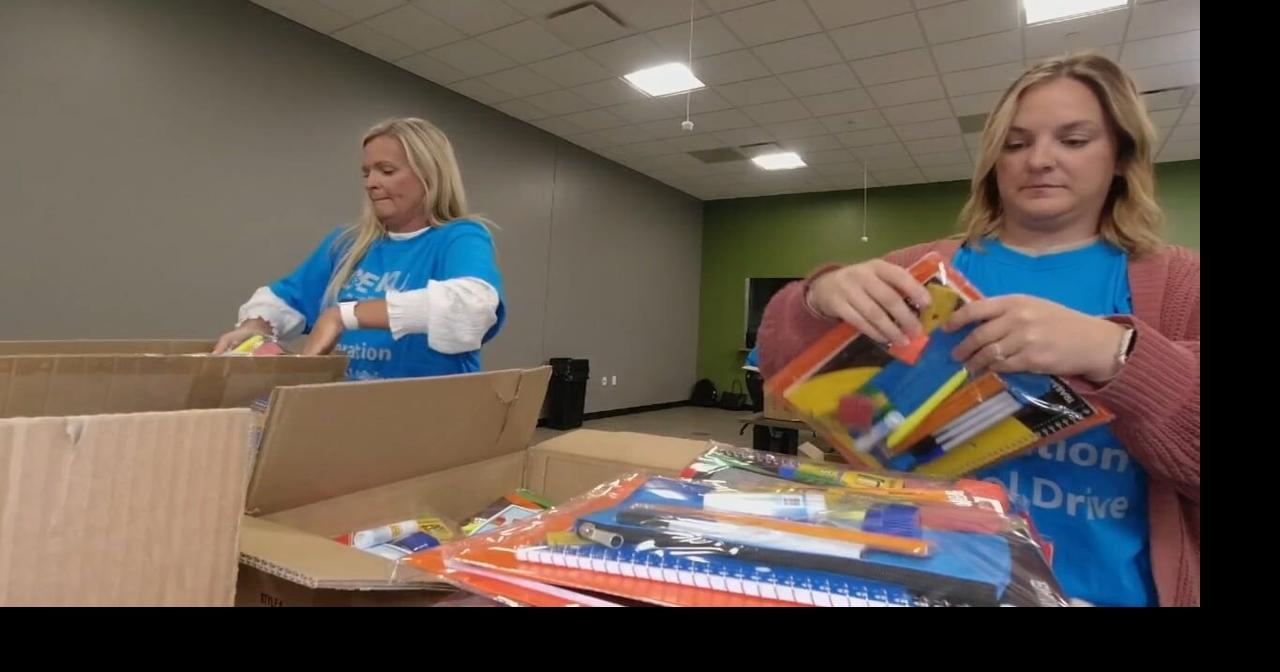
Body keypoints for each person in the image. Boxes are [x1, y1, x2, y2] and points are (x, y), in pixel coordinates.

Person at [758, 53, 1198, 607]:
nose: (1039, 160)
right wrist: (817, 298)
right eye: (1015, 144)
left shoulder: (1180, 285)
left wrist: (1116, 351)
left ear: (1121, 156)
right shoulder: (921, 271)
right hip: (918, 584)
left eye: (1074, 140)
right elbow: (781, 366)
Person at [214, 117, 505, 380]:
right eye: (366, 173)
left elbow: (472, 307)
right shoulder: (347, 243)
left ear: (429, 175)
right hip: (349, 406)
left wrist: (344, 316)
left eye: (387, 171)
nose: (371, 183)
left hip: (425, 411)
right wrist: (254, 328)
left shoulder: (459, 236)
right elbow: (285, 300)